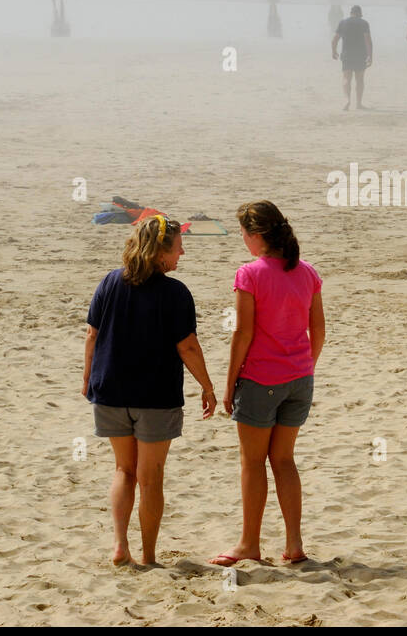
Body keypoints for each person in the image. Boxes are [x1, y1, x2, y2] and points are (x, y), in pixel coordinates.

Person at [83, 214, 217, 567]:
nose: (182, 253)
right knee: (151, 477)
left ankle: (118, 546)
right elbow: (187, 346)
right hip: (155, 397)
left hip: (110, 391)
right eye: (177, 247)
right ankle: (148, 555)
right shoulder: (175, 293)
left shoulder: (109, 282)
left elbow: (92, 336)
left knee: (124, 470)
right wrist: (208, 386)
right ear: (160, 253)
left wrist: (87, 380)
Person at [210, 201, 325, 567]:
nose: (243, 240)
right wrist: (305, 366)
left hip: (261, 380)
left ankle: (249, 544)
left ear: (256, 235)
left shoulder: (250, 274)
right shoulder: (307, 272)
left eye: (243, 234)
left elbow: (242, 334)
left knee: (253, 462)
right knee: (285, 460)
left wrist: (229, 384)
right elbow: (318, 330)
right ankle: (294, 544)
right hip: (300, 380)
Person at [331, 4, 371, 110]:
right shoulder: (364, 23)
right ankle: (358, 103)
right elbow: (368, 40)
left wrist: (334, 51)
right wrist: (370, 56)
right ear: (360, 14)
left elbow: (335, 39)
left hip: (347, 54)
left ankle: (347, 100)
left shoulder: (343, 22)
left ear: (351, 13)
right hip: (360, 55)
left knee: (346, 78)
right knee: (359, 79)